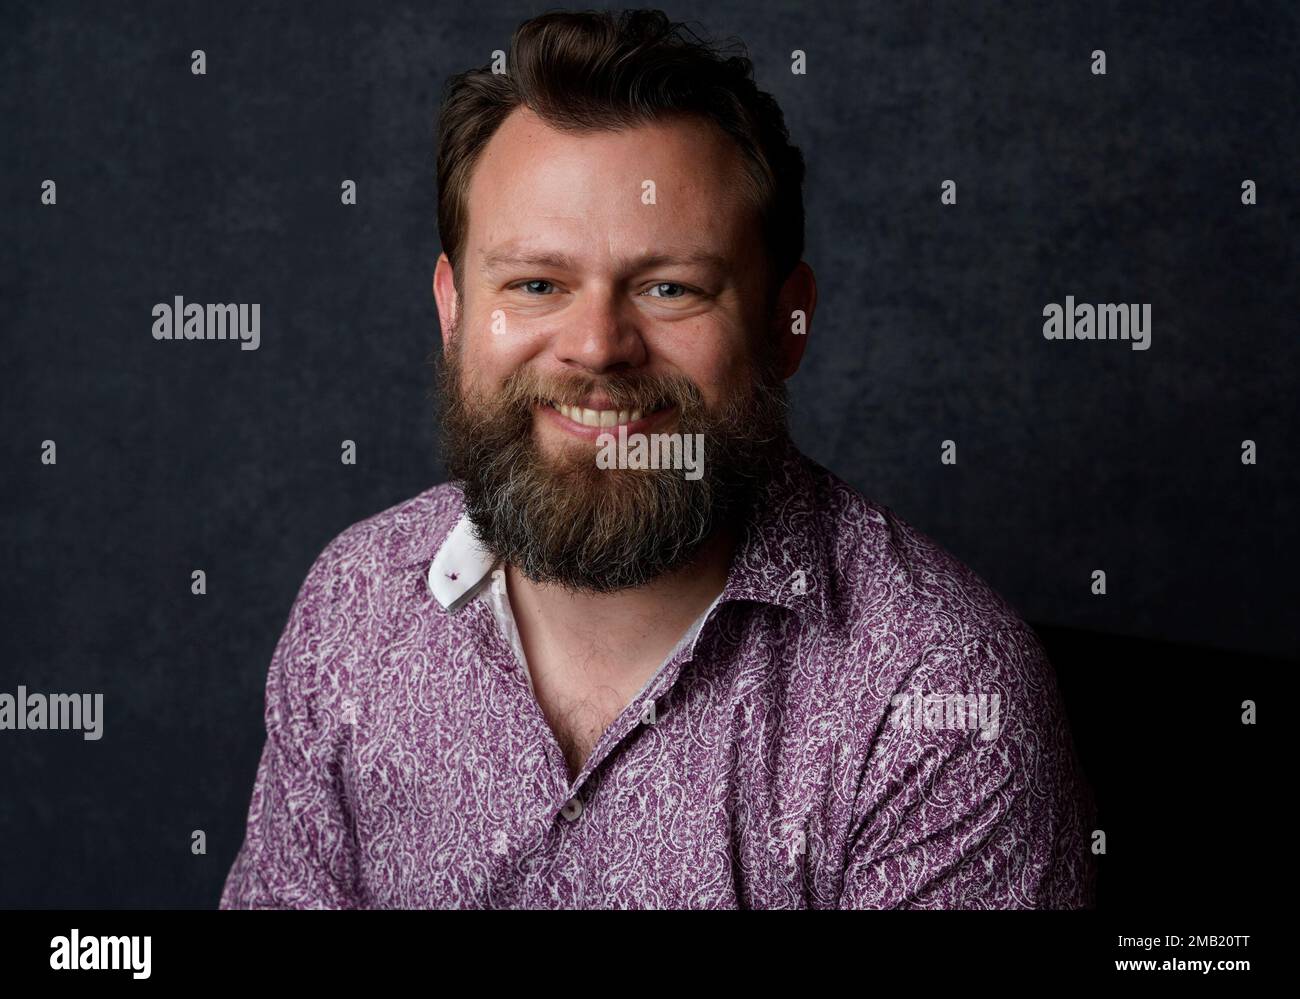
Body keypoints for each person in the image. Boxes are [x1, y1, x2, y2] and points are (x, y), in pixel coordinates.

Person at [220, 8, 1095, 909]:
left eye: (670, 287)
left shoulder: (938, 697)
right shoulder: (353, 607)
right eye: (535, 284)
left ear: (785, 321)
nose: (597, 347)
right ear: (452, 311)